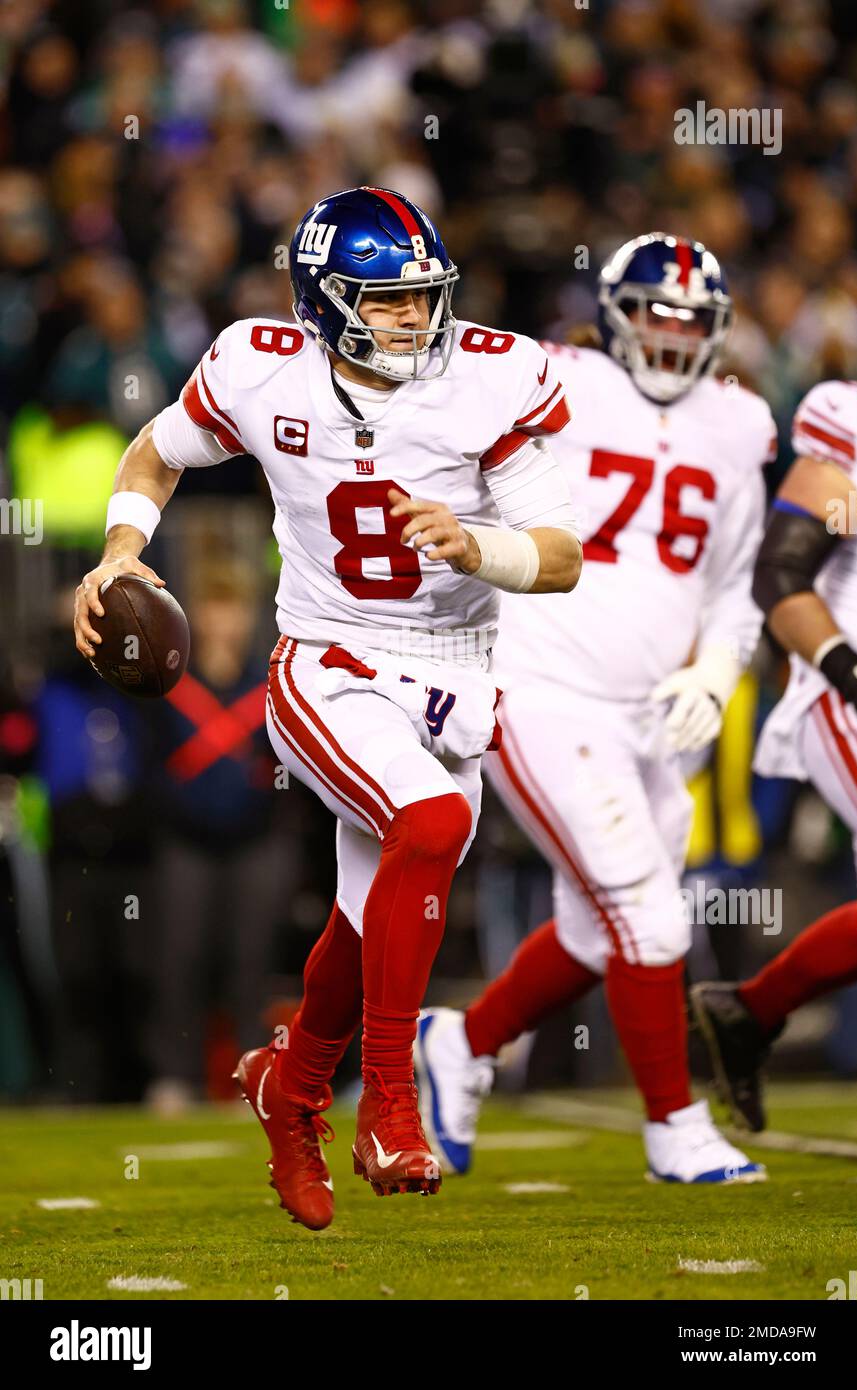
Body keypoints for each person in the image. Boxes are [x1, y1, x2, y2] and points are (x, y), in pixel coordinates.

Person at [72, 186, 581, 1229]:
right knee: (430, 824)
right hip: (327, 662)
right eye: (385, 299)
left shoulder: (492, 376)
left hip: (455, 668)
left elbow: (562, 557)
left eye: (422, 296)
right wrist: (124, 550)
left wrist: (474, 542)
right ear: (323, 300)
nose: (413, 317)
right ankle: (387, 1098)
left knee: (365, 928)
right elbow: (157, 452)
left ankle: (290, 1083)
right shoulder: (259, 366)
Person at [415, 233, 774, 1184]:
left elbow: (736, 585)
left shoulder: (739, 425)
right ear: (614, 313)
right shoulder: (555, 380)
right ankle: (674, 1128)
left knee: (592, 927)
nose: (671, 332)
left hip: (655, 711)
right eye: (656, 312)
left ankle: (463, 1043)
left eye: (691, 319)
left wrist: (717, 673)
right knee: (650, 914)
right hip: (541, 683)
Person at [692, 371, 857, 1131]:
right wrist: (848, 670)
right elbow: (783, 572)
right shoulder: (851, 422)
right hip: (848, 681)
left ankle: (749, 1011)